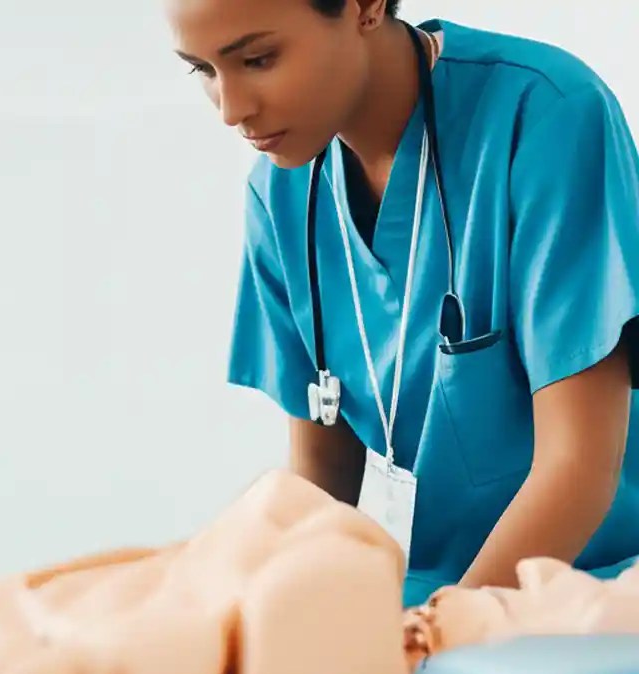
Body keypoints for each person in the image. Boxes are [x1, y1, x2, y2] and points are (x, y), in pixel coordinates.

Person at [166, 0, 639, 606]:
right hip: (412, 597)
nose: (233, 110)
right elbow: (322, 481)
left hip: (587, 589)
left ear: (365, 6)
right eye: (201, 70)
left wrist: (430, 641)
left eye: (258, 59)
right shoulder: (281, 191)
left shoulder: (546, 116)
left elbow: (578, 467)